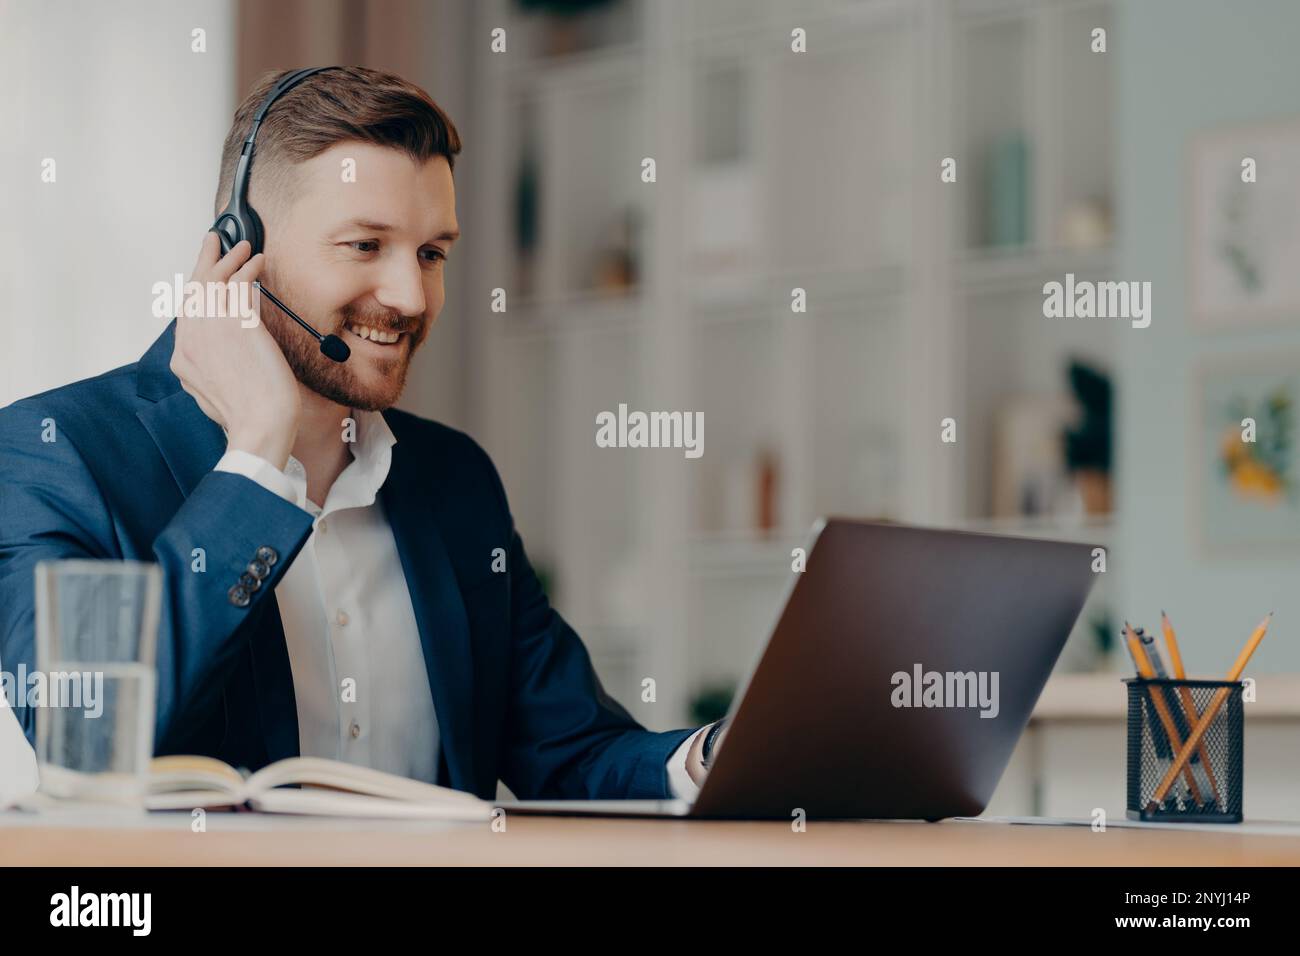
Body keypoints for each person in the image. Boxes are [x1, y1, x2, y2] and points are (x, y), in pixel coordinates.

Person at [0, 66, 725, 801]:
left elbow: (571, 750)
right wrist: (256, 455)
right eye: (364, 246)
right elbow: (80, 734)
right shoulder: (52, 453)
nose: (410, 297)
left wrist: (713, 757)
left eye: (432, 254)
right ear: (237, 249)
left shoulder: (453, 477)